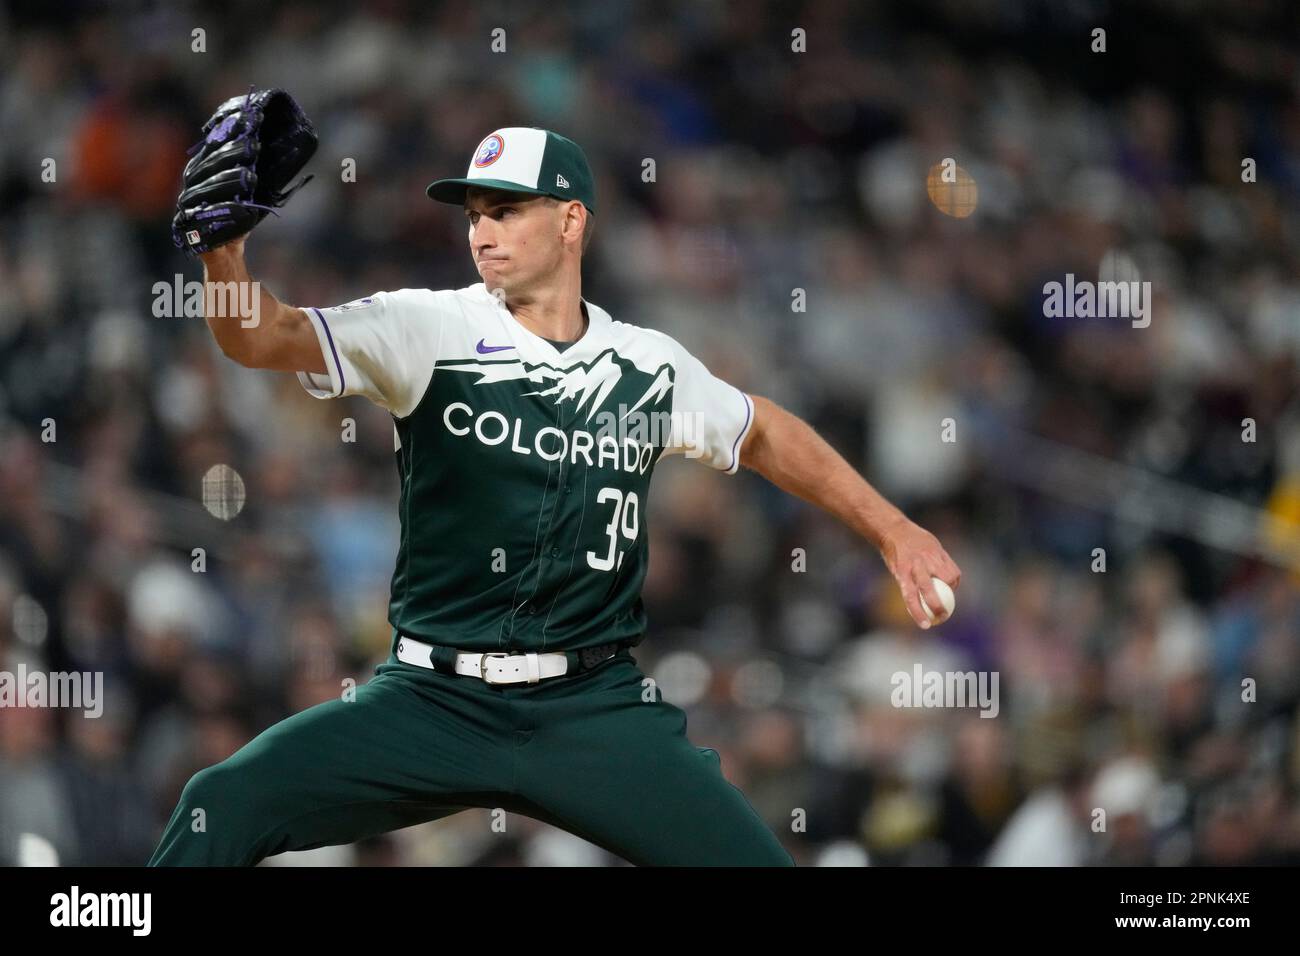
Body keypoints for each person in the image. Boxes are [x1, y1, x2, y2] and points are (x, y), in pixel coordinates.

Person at [149, 127, 960, 866]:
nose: (482, 232)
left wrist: (892, 531)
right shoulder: (427, 328)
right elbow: (259, 336)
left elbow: (765, 433)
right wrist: (223, 254)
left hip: (590, 708)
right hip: (434, 698)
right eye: (473, 214)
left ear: (572, 222)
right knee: (219, 805)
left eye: (506, 210)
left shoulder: (647, 363)